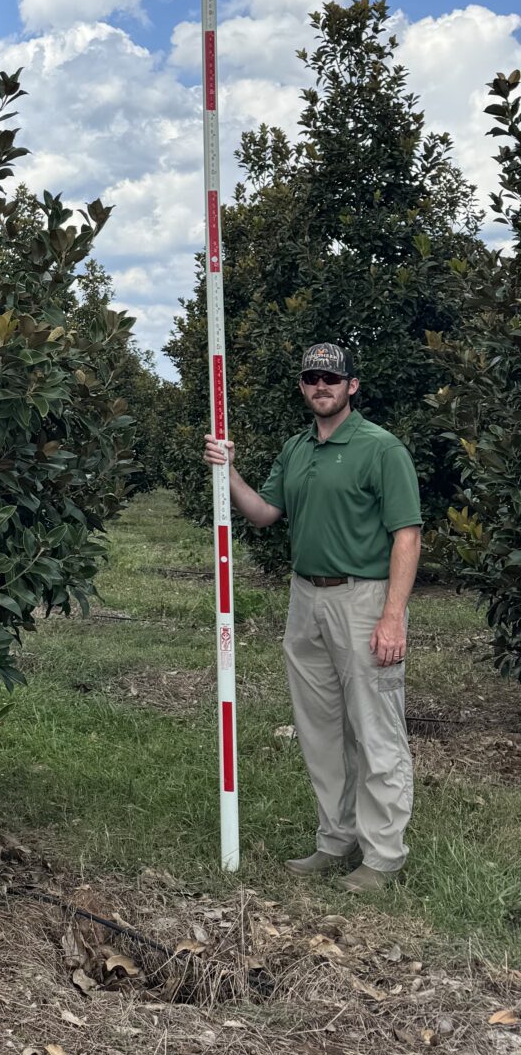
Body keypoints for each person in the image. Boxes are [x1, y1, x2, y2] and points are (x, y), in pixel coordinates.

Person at [204, 343, 420, 894]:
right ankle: (336, 838)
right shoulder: (296, 449)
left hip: (364, 599)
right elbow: (263, 514)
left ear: (352, 386)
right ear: (303, 387)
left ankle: (383, 855)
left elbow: (407, 535)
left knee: (375, 728)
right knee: (320, 728)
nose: (321, 385)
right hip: (306, 599)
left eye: (331, 377)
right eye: (311, 378)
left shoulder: (381, 448)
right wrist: (227, 472)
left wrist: (392, 616)